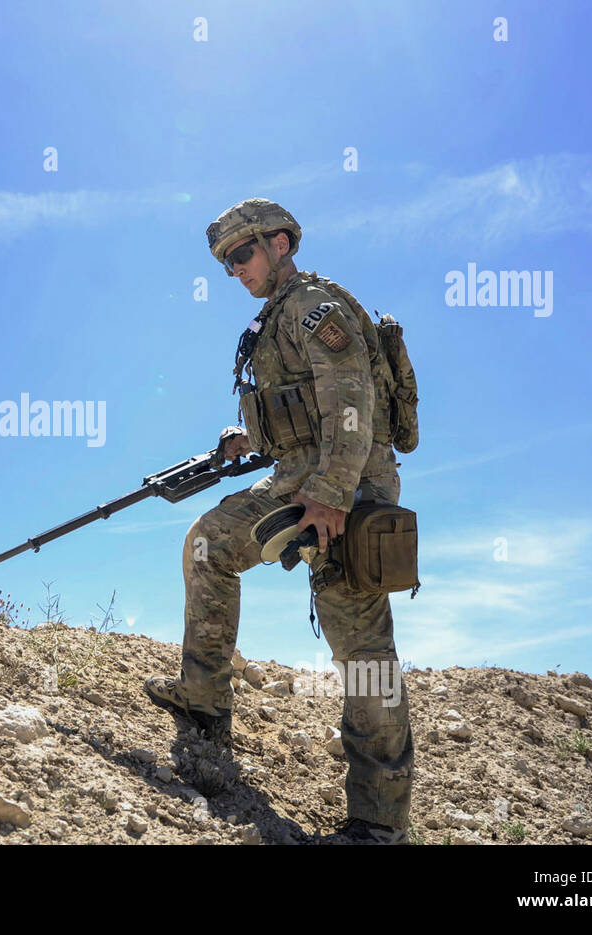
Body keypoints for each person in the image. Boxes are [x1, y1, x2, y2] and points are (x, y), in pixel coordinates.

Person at [144, 198, 414, 845]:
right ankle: (205, 694)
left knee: (362, 652)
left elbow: (352, 402)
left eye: (243, 253)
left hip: (351, 488)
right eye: (226, 261)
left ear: (281, 242)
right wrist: (250, 435)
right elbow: (306, 414)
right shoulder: (272, 323)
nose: (235, 269)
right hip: (296, 476)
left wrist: (330, 496)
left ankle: (379, 826)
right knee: (210, 541)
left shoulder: (316, 306)